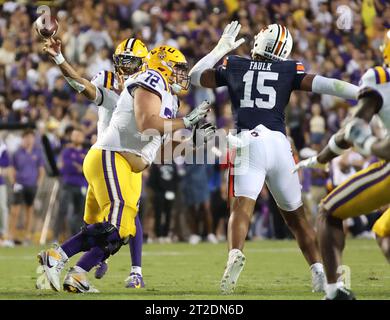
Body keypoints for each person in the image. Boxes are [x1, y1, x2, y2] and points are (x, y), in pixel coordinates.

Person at [189, 21, 359, 294]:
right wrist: (359, 93)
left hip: (247, 141)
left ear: (261, 42)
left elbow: (194, 76)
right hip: (280, 146)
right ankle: (318, 271)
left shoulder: (236, 64)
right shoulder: (288, 69)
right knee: (297, 218)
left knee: (242, 208)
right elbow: (327, 85)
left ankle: (234, 253)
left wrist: (220, 48)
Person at [37, 45, 212, 293]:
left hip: (124, 163)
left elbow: (156, 148)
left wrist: (191, 138)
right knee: (115, 226)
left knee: (122, 230)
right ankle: (57, 255)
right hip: (110, 156)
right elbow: (145, 124)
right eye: (178, 68)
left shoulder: (167, 98)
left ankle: (78, 274)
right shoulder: (152, 79)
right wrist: (186, 122)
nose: (182, 74)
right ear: (162, 66)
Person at [41, 37, 149, 288]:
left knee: (99, 225)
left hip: (110, 161)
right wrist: (59, 59)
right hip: (112, 159)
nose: (125, 68)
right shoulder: (111, 84)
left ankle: (78, 272)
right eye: (122, 62)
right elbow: (82, 87)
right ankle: (64, 259)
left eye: (132, 63)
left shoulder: (147, 89)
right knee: (122, 224)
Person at [293, 30, 390, 300]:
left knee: (328, 210)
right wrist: (320, 158)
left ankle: (334, 292)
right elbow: (349, 132)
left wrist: (368, 144)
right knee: (384, 231)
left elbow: (353, 129)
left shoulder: (381, 78)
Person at [8, 129, 45, 245]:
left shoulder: (37, 152)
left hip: (31, 185)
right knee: (15, 211)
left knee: (30, 210)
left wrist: (38, 183)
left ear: (34, 139)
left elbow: (41, 170)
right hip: (19, 184)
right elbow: (12, 168)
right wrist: (13, 182)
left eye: (31, 137)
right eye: (26, 137)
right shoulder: (17, 152)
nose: (29, 140)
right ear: (23, 139)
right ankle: (11, 236)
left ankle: (27, 236)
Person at [54, 128, 88, 240]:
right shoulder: (66, 151)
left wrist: (80, 168)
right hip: (68, 185)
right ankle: (56, 236)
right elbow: (67, 167)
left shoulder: (86, 153)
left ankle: (77, 236)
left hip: (82, 186)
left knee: (81, 212)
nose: (77, 137)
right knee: (62, 210)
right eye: (75, 135)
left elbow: (88, 169)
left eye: (79, 135)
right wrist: (80, 167)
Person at [0, 138, 10, 247]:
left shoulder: (2, 145)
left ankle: (3, 235)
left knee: (2, 208)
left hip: (0, 182)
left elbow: (6, 161)